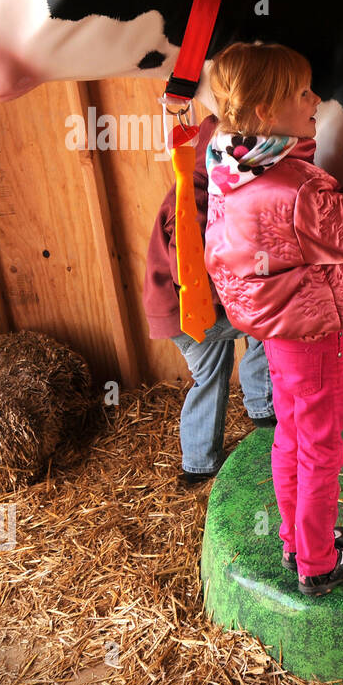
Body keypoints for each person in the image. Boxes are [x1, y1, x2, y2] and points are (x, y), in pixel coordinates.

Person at [204, 41, 343, 596]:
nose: (316, 99)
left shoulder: (229, 164)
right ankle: (319, 563)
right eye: (301, 93)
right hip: (315, 336)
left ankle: (298, 540)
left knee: (292, 438)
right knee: (320, 447)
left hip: (278, 334)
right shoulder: (294, 189)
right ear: (262, 114)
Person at [143, 112, 275, 486]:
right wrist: (237, 296)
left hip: (177, 311)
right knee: (268, 320)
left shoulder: (192, 184)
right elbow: (187, 263)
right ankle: (264, 408)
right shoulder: (199, 195)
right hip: (193, 309)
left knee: (208, 376)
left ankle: (199, 464)